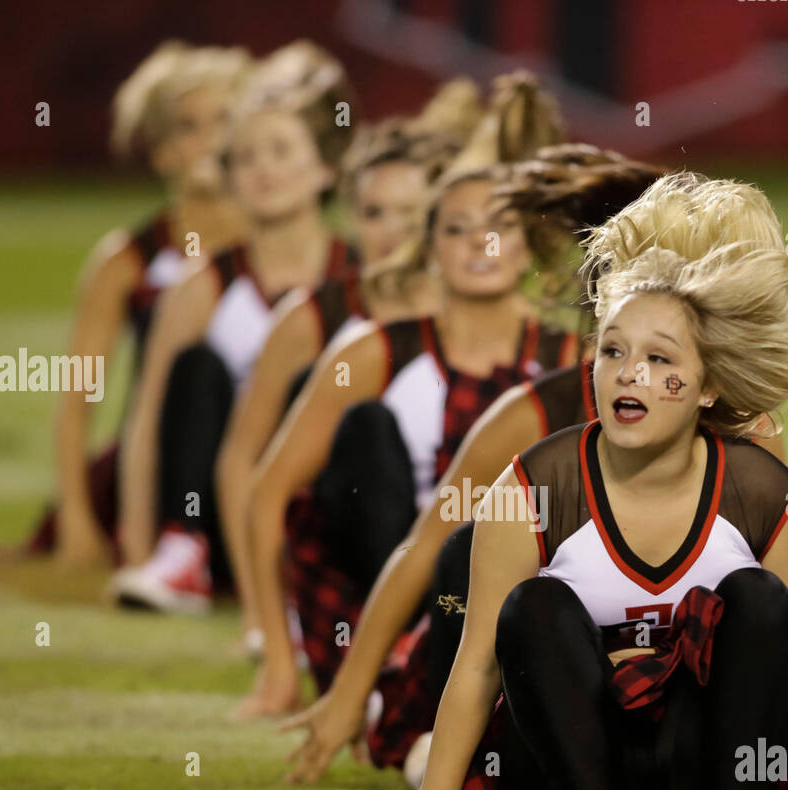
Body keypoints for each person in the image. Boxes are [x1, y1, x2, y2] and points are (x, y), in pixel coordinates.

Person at [241, 175, 788, 790]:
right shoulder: (531, 481)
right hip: (574, 776)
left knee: (761, 600)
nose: (631, 373)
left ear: (708, 385)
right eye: (615, 351)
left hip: (707, 769)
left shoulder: (767, 493)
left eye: (662, 361)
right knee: (532, 608)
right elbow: (475, 672)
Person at [237, 74, 572, 718]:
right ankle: (382, 678)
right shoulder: (372, 350)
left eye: (503, 225)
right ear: (430, 246)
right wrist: (279, 663)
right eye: (457, 229)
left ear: (529, 240)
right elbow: (269, 489)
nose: (482, 242)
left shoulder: (571, 358)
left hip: (508, 584)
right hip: (385, 588)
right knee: (367, 431)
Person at [214, 81, 482, 647]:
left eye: (411, 213)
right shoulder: (316, 316)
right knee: (367, 430)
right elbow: (247, 464)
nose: (392, 231)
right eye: (374, 212)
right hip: (351, 550)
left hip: (460, 550)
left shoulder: (486, 311)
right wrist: (258, 614)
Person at [110, 41, 357, 611]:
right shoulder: (202, 284)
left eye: (279, 151)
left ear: (323, 167)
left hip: (314, 513)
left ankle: (336, 575)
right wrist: (136, 552)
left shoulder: (357, 275)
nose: (263, 168)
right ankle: (182, 553)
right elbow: (147, 423)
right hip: (221, 517)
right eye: (245, 157)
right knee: (198, 369)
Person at [24, 42, 250, 567]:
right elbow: (79, 402)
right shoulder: (126, 261)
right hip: (159, 472)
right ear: (161, 152)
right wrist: (78, 520)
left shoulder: (285, 242)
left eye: (226, 120)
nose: (212, 140)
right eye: (190, 127)